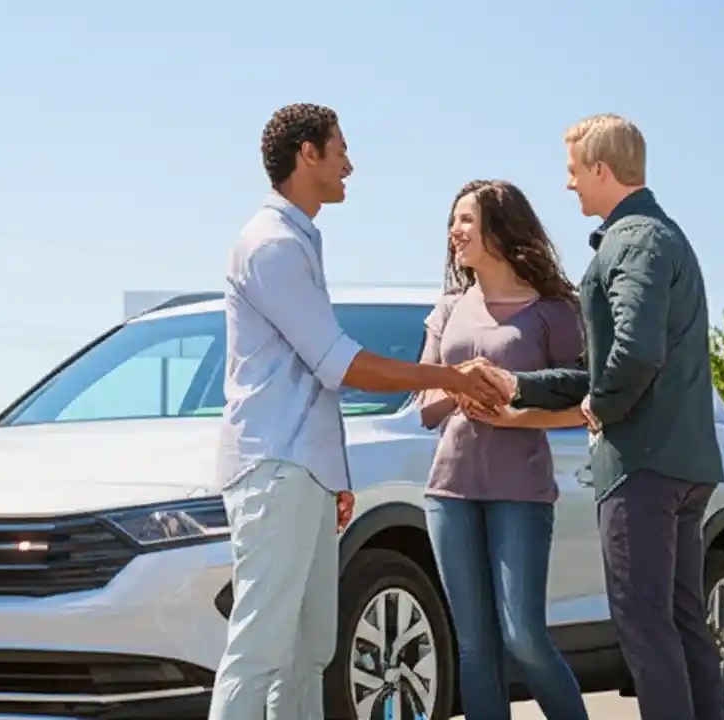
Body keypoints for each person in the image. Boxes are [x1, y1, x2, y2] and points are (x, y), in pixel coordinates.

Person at [209, 103, 510, 720]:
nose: (351, 163)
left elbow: (310, 382)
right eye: (340, 148)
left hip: (304, 472)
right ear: (307, 154)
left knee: (309, 648)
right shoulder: (270, 245)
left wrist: (334, 477)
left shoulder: (297, 240)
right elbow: (338, 363)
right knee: (262, 647)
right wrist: (449, 376)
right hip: (273, 469)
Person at [483, 114, 724, 720]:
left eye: (572, 172)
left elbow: (633, 357)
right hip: (682, 462)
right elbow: (604, 365)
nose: (568, 187)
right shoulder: (661, 235)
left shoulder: (633, 239)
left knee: (646, 624)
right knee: (681, 621)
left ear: (600, 169)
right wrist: (518, 383)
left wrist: (600, 406)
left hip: (642, 465)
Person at [417, 179, 591, 720]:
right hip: (450, 490)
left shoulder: (555, 310)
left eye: (466, 219)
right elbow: (425, 405)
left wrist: (516, 414)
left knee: (523, 637)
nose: (455, 232)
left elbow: (585, 400)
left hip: (522, 491)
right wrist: (459, 386)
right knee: (473, 646)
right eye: (453, 221)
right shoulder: (447, 308)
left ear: (499, 226)